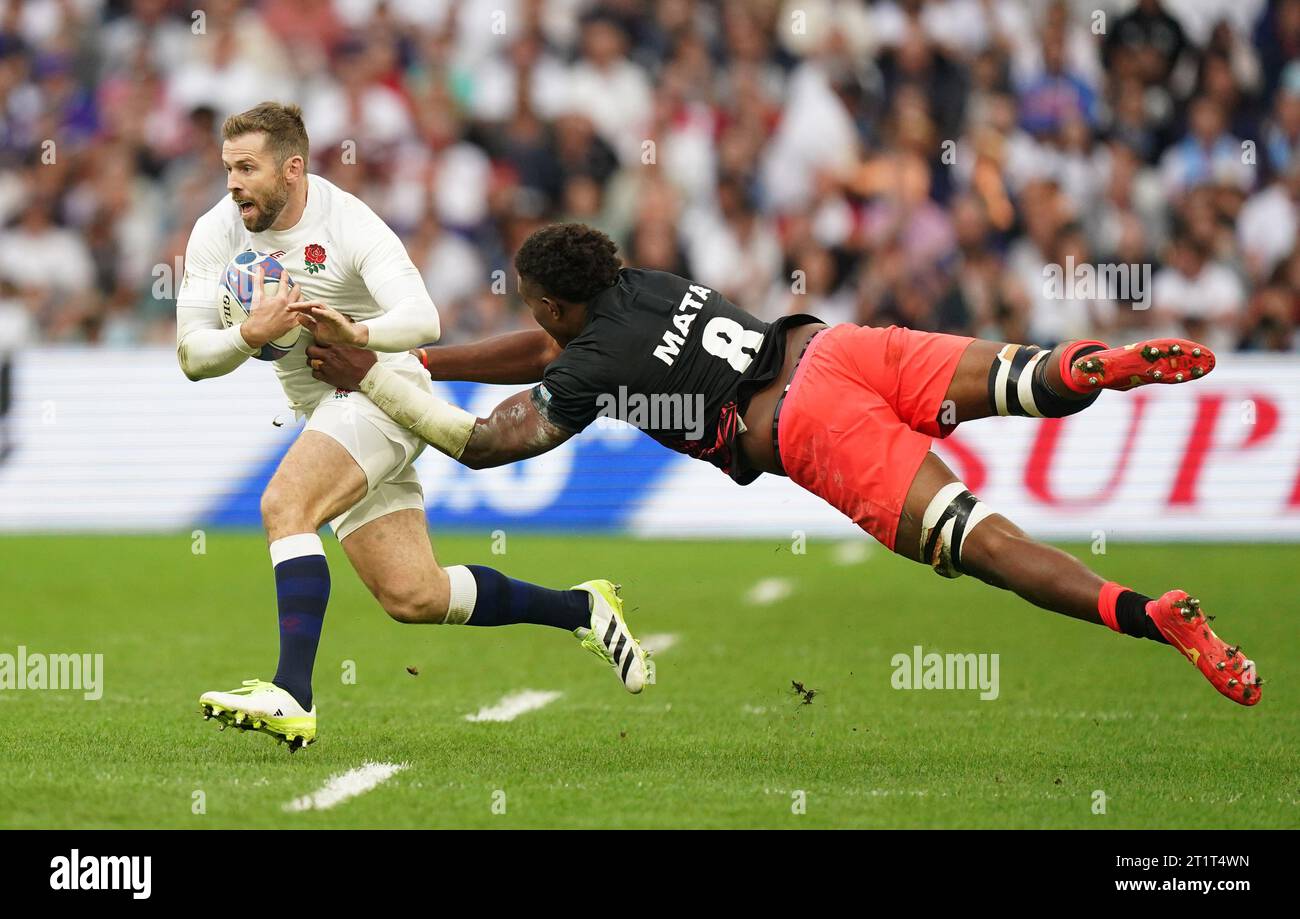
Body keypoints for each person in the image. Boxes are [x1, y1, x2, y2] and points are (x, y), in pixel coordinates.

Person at [306, 223, 1263, 707]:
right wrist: (422, 360)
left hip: (807, 425)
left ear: (558, 303)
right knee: (1026, 377)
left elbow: (486, 442)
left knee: (979, 543)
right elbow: (542, 349)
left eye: (535, 304)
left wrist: (371, 378)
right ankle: (1091, 363)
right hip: (838, 348)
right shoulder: (636, 285)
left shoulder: (594, 355)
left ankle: (1146, 615)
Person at [177, 110, 650, 752]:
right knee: (415, 595)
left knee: (285, 505)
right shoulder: (215, 232)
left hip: (381, 387)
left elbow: (423, 319)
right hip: (328, 411)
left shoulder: (348, 223)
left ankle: (293, 694)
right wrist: (249, 335)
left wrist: (358, 334)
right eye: (228, 167)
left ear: (293, 168)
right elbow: (192, 357)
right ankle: (582, 610)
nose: (233, 183)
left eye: (247, 168)